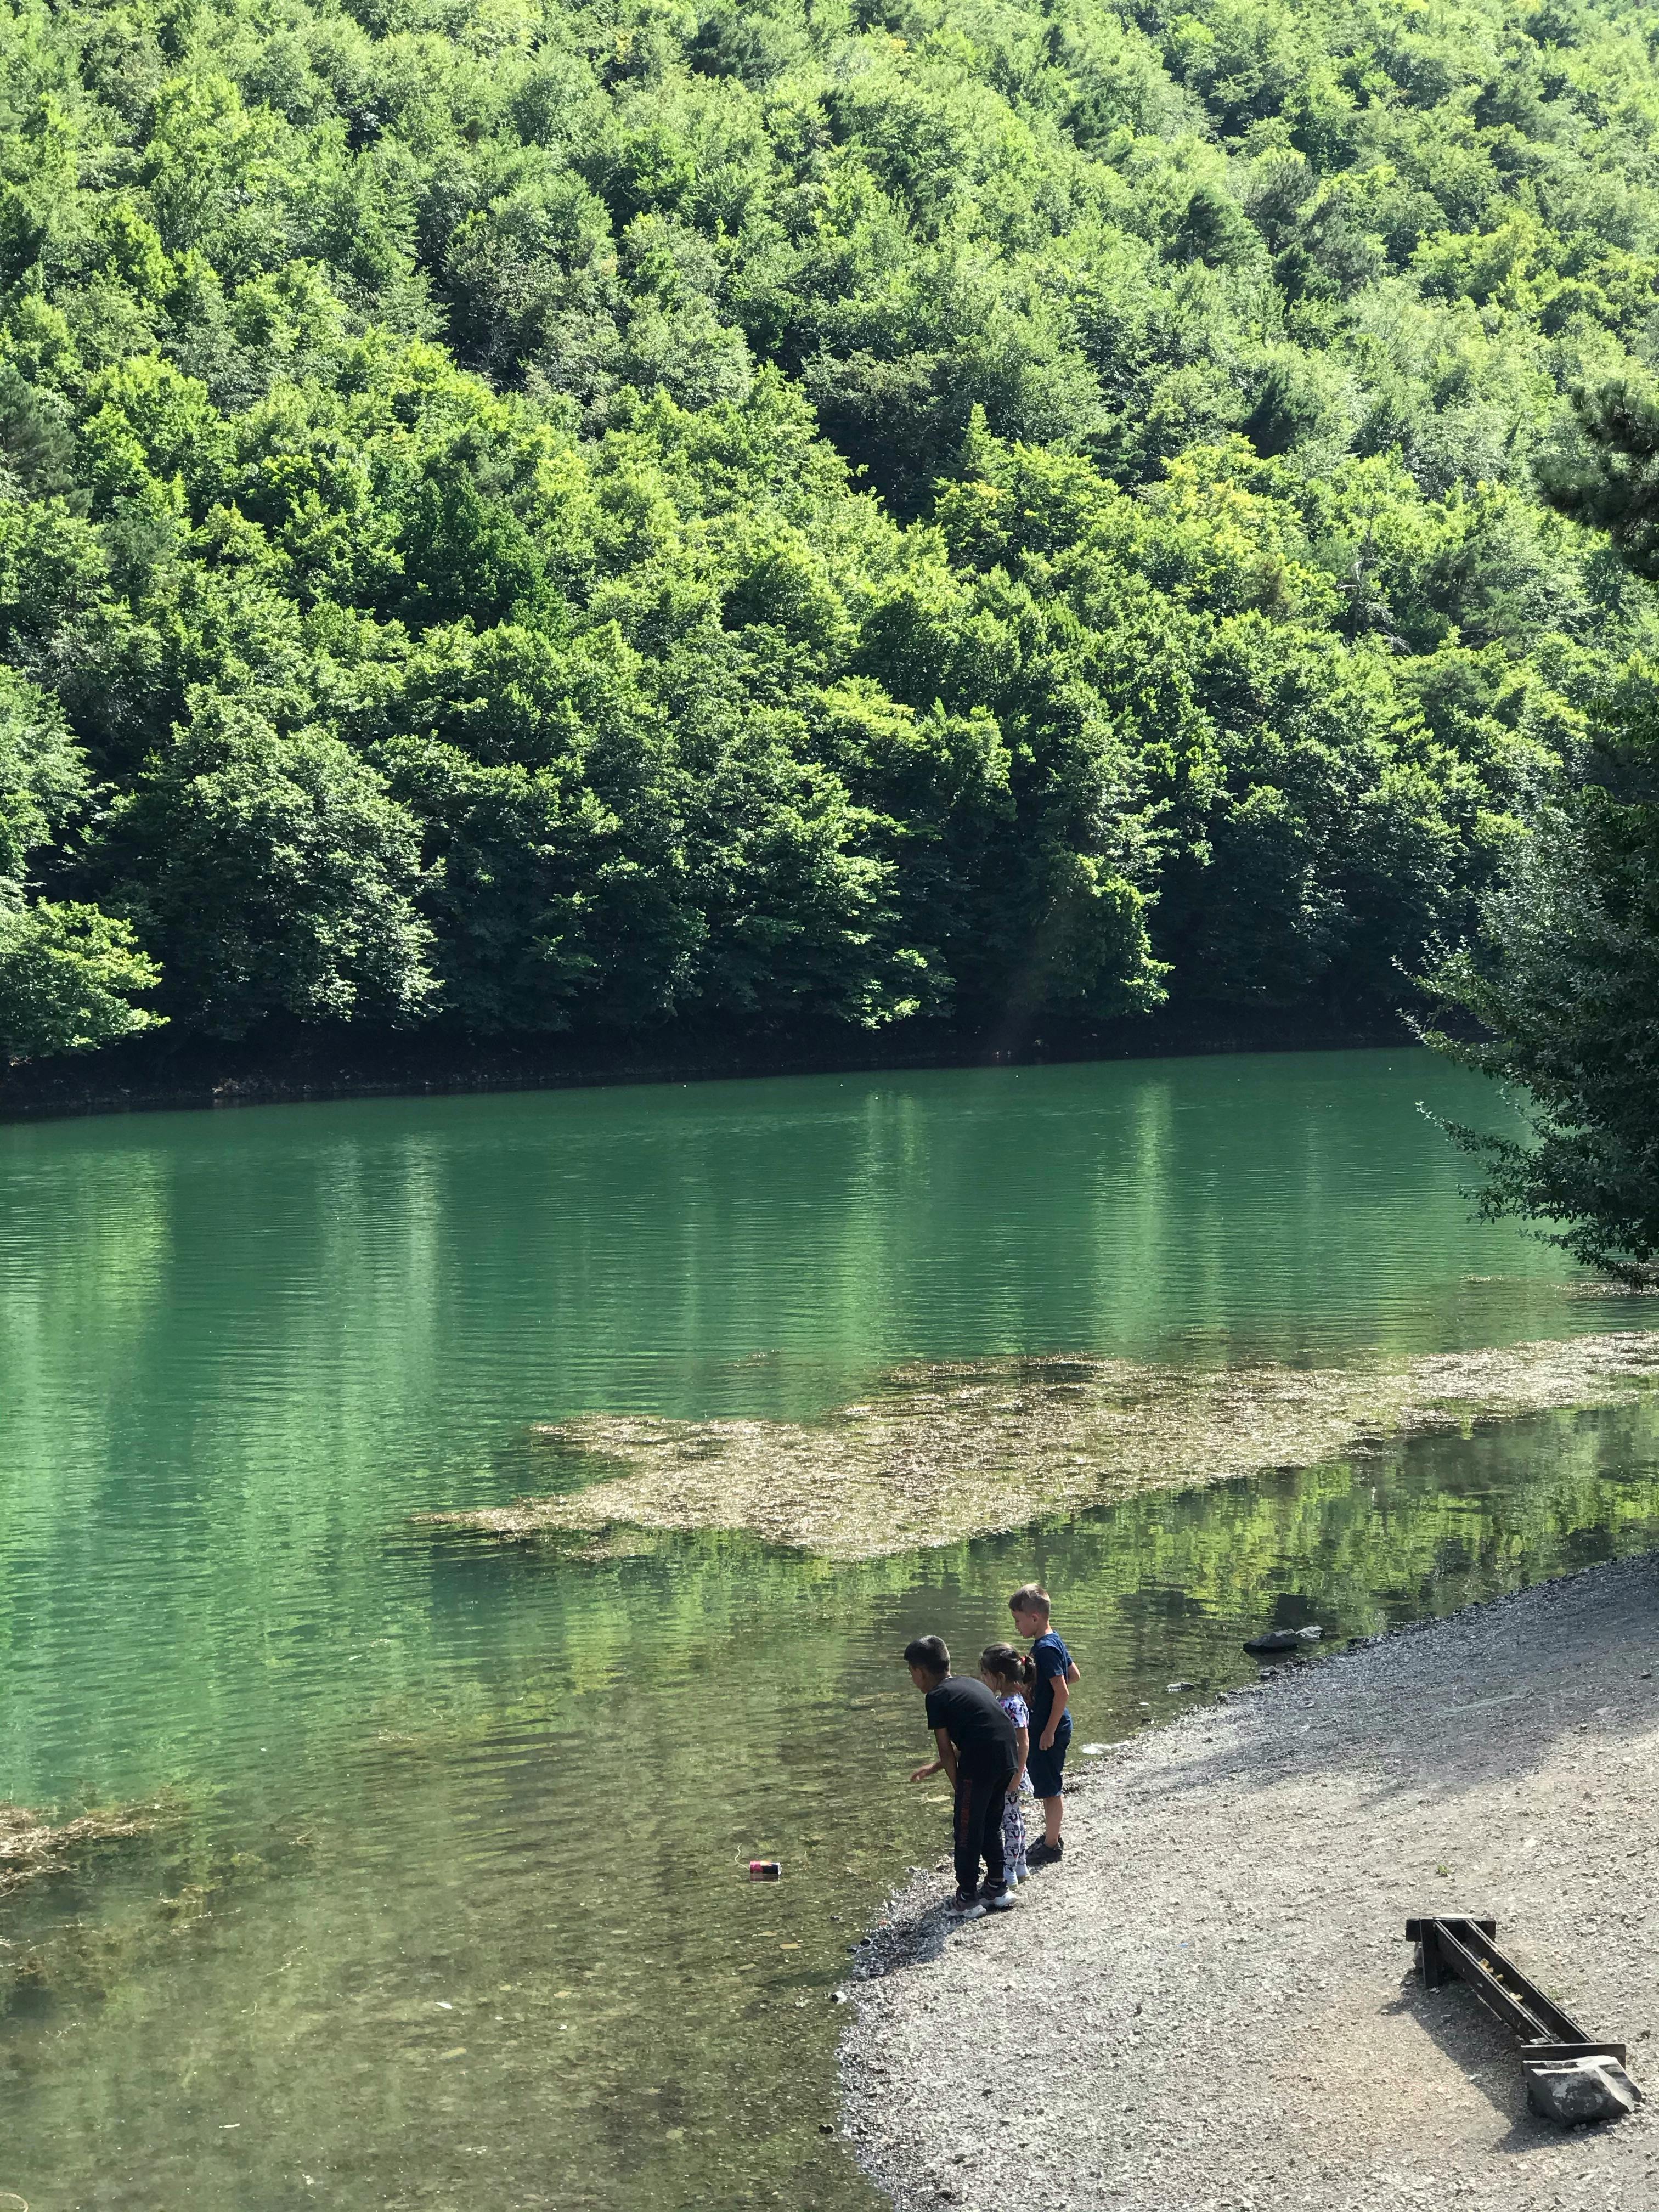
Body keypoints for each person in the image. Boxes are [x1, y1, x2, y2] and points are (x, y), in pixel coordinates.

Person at [904, 1634, 1019, 1918]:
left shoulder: (936, 1697)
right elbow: (977, 1735)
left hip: (981, 1764)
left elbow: (946, 1747)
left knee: (966, 1829)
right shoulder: (969, 1684)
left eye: (911, 1674)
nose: (913, 1680)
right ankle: (997, 1887)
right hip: (1007, 1757)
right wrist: (934, 1768)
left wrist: (960, 1790)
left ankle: (967, 1897)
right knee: (990, 1824)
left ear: (920, 1672)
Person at [1008, 1584, 1079, 1867]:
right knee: (1047, 1783)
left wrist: (1049, 1729)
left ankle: (1052, 1845)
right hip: (1054, 1723)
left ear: (1034, 1618)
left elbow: (1063, 1691)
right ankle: (1051, 1836)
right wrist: (1037, 1690)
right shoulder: (1053, 1640)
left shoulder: (1046, 1649)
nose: (1016, 1627)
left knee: (1050, 1788)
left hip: (1051, 1728)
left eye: (1018, 1620)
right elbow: (1073, 1675)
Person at [978, 1643, 1033, 1886]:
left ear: (1000, 1677)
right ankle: (1020, 1865)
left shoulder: (1011, 1704)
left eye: (985, 1675)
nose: (982, 1679)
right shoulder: (1013, 1700)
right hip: (1012, 1770)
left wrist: (1017, 1773)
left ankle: (1009, 1870)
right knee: (1015, 1819)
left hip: (1010, 1772)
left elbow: (1023, 1740)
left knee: (1008, 1822)